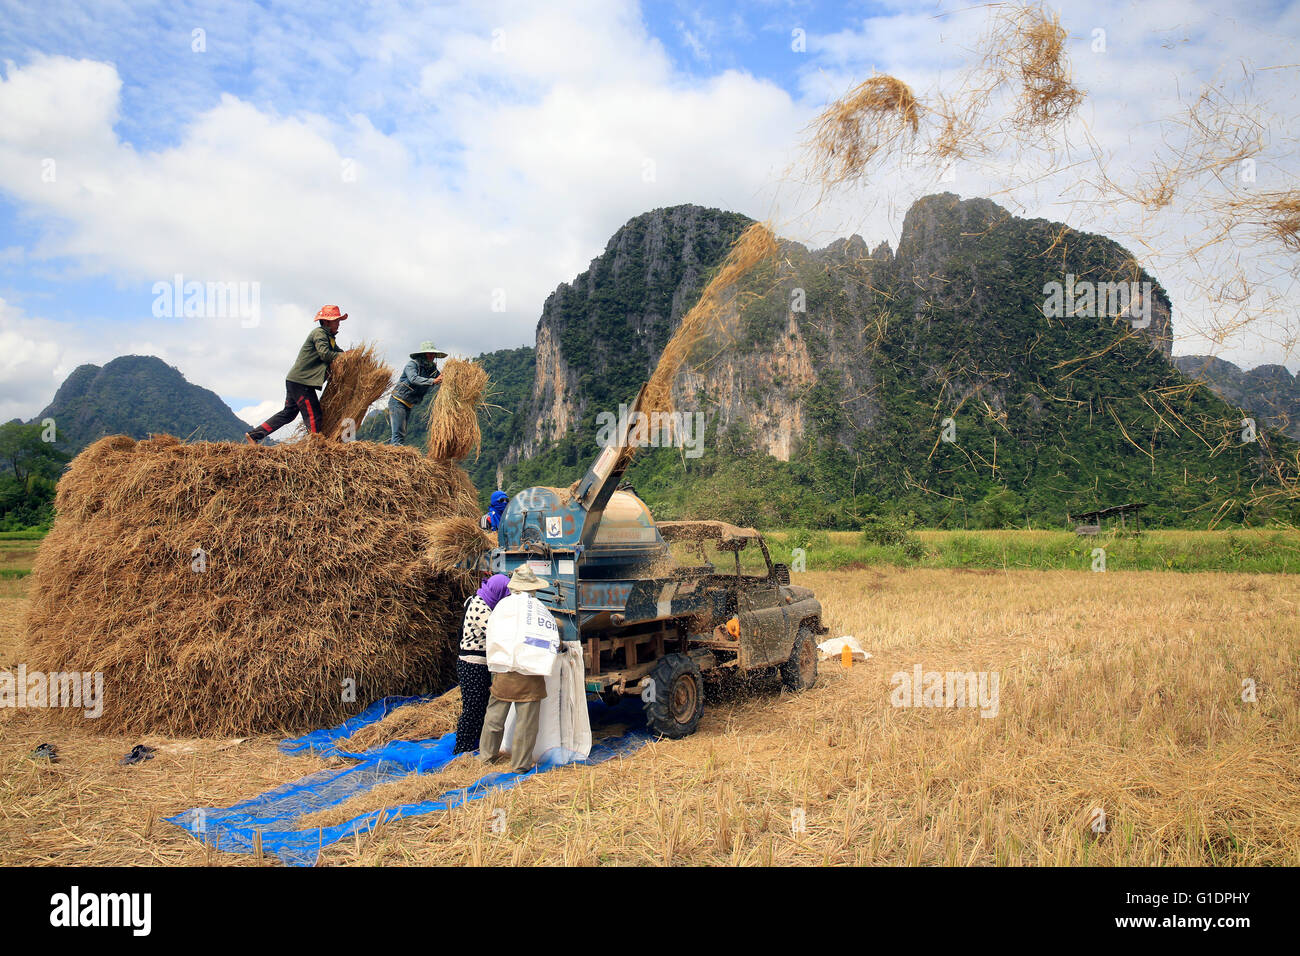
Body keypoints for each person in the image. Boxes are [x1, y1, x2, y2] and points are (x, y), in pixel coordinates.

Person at [479, 565, 563, 774]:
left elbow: (492, 633)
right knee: (526, 724)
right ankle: (520, 764)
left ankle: (487, 756)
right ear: (532, 588)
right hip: (530, 674)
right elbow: (552, 638)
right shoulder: (540, 609)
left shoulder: (502, 606)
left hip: (504, 671)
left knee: (495, 717)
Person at [246, 305, 347, 443]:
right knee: (313, 414)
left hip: (296, 381)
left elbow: (339, 353)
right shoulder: (319, 334)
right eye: (336, 320)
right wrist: (343, 356)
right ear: (326, 322)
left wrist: (350, 355)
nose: (339, 323)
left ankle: (254, 435)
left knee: (288, 414)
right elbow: (326, 355)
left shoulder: (329, 337)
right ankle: (315, 445)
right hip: (302, 382)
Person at [453, 573, 510, 755]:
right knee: (473, 708)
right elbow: (496, 633)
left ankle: (475, 744)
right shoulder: (479, 607)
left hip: (480, 663)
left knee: (481, 705)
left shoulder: (484, 601)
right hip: (472, 664)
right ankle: (462, 748)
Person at [388, 341, 446, 445]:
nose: (432, 356)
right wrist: (433, 381)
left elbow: (440, 378)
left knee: (402, 434)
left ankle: (395, 454)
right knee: (398, 433)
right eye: (429, 353)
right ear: (423, 354)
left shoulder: (431, 368)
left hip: (408, 403)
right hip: (398, 401)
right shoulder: (412, 365)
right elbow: (413, 379)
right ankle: (394, 457)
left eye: (433, 354)